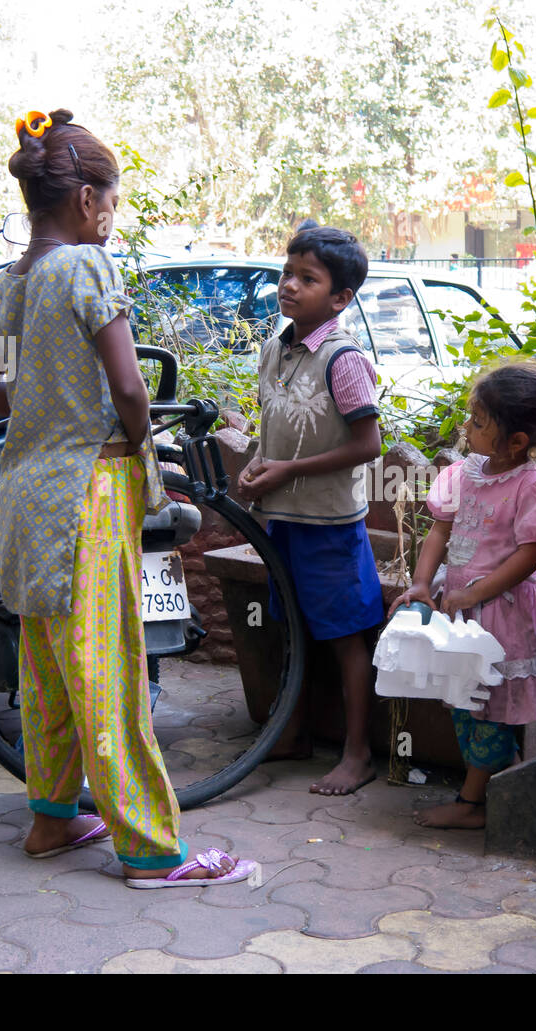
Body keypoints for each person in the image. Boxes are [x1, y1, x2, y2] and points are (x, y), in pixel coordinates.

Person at [0, 108, 253, 886]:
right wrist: (134, 431)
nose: (110, 219)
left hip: (24, 491)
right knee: (109, 670)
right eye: (112, 203)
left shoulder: (7, 285)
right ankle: (154, 849)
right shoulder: (86, 269)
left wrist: (44, 407)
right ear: (87, 198)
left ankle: (50, 823)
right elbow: (130, 384)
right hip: (90, 488)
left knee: (50, 667)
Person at [236, 226, 384, 796]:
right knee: (291, 626)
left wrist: (289, 471)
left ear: (340, 297)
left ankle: (357, 753)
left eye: (308, 279)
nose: (289, 287)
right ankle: (292, 733)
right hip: (284, 522)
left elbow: (368, 446)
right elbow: (274, 427)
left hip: (329, 525)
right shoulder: (276, 348)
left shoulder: (341, 359)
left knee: (346, 637)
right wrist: (256, 465)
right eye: (287, 274)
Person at [388, 363, 536, 828]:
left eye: (479, 422)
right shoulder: (466, 472)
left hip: (503, 617)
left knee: (489, 708)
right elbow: (440, 530)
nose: (467, 427)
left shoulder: (532, 487)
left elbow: (529, 557)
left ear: (517, 441)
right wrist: (423, 583)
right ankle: (498, 785)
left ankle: (473, 804)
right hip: (463, 612)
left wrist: (472, 594)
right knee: (469, 702)